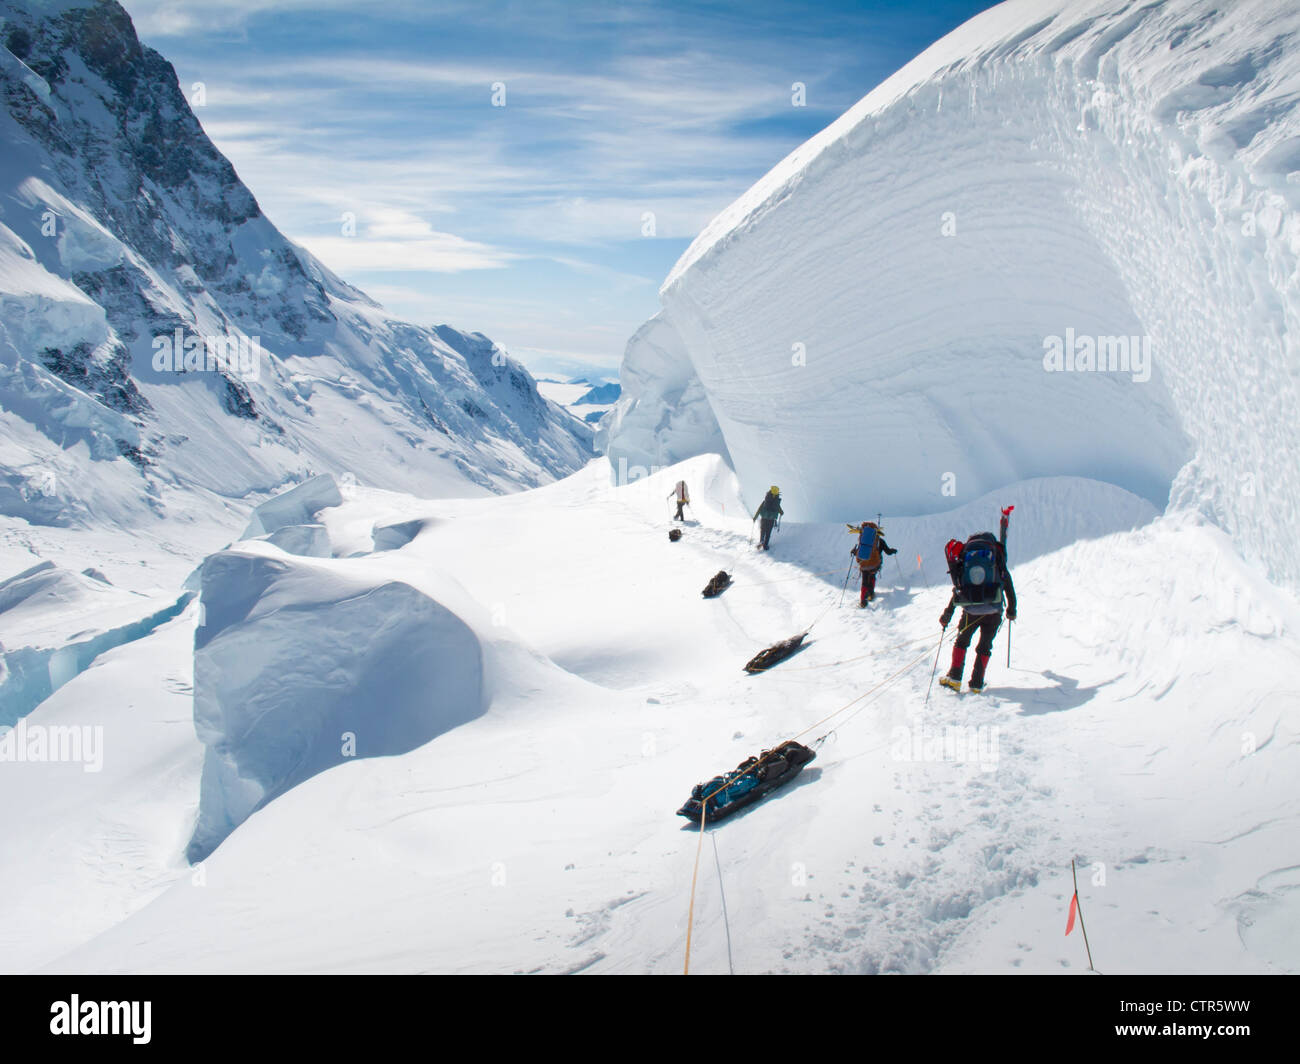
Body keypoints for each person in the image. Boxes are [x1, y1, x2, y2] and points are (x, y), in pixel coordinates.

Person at [938, 532, 1017, 694]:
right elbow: (1008, 584)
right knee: (985, 646)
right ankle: (976, 683)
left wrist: (947, 614)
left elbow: (958, 589)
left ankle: (954, 678)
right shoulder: (995, 558)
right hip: (994, 609)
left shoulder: (967, 557)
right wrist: (1011, 609)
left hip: (971, 609)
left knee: (962, 641)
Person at [846, 520, 897, 606]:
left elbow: (859, 552)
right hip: (875, 565)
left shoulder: (862, 540)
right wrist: (893, 551)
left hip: (863, 564)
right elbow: (888, 552)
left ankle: (862, 601)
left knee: (864, 581)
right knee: (872, 577)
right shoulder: (880, 541)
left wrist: (853, 552)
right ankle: (871, 594)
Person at [753, 486, 783, 550]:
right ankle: (765, 545)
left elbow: (759, 509)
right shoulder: (776, 502)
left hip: (764, 518)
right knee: (768, 532)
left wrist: (755, 517)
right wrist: (781, 512)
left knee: (763, 530)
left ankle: (761, 541)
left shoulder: (766, 500)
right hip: (771, 520)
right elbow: (780, 511)